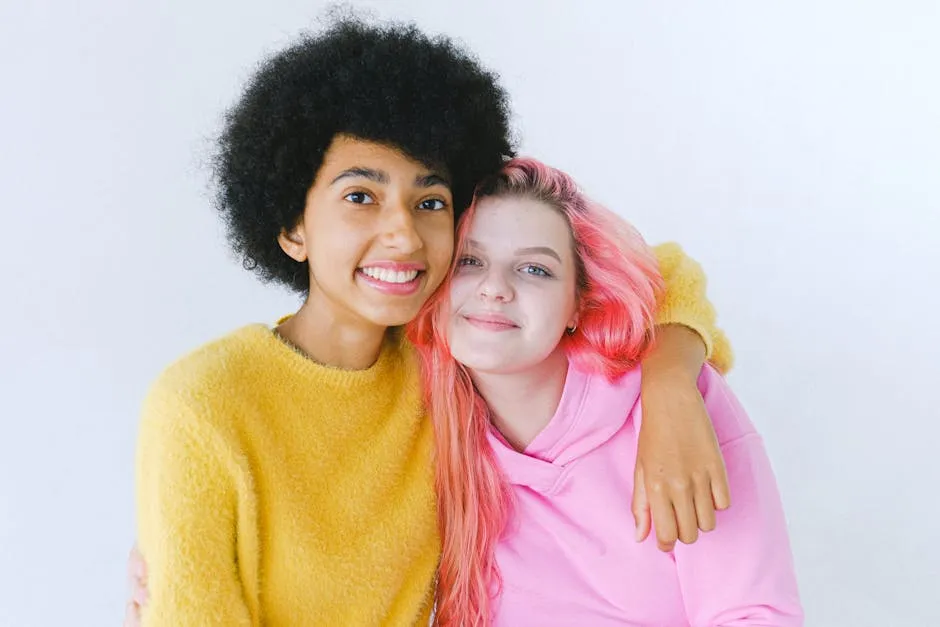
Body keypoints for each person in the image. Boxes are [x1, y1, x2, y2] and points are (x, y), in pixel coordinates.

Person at [127, 16, 734, 627]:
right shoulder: (203, 404)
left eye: (430, 203)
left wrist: (672, 388)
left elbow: (660, 277)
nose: (403, 233)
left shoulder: (449, 360)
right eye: (361, 196)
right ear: (292, 227)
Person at [410, 157, 802, 626]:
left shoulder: (670, 404)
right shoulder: (418, 410)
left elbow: (751, 614)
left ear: (580, 301)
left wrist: (672, 381)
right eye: (469, 262)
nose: (494, 288)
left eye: (534, 269)